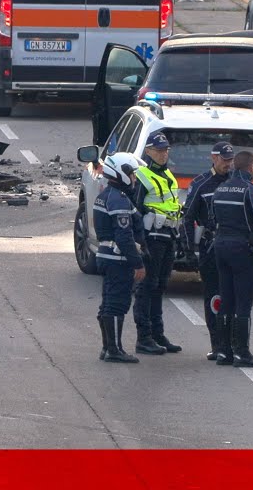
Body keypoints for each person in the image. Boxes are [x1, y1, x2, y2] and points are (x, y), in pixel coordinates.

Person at [210, 151, 253, 368]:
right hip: (242, 248)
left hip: (221, 245)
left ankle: (223, 351)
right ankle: (242, 352)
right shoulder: (250, 190)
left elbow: (212, 218)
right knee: (243, 302)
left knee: (226, 298)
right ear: (251, 166)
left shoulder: (220, 188)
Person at [180, 141, 235, 360]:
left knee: (233, 296)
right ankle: (218, 344)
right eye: (224, 160)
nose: (228, 164)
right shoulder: (201, 184)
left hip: (233, 247)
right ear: (214, 158)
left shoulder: (236, 182)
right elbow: (188, 216)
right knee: (214, 296)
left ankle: (232, 343)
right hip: (210, 248)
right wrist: (187, 249)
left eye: (231, 160)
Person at [131, 131, 183, 355]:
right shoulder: (142, 175)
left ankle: (158, 334)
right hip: (152, 238)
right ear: (149, 152)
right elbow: (135, 209)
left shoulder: (169, 175)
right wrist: (139, 242)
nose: (163, 154)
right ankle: (144, 337)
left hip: (169, 236)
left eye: (166, 150)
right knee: (147, 287)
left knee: (160, 287)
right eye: (159, 150)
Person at [94, 152, 148, 363]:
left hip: (107, 256)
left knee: (108, 302)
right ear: (121, 174)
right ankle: (114, 350)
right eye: (132, 174)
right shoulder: (119, 199)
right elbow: (124, 236)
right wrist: (138, 263)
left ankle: (108, 347)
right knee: (117, 303)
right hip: (118, 259)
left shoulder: (107, 195)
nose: (134, 178)